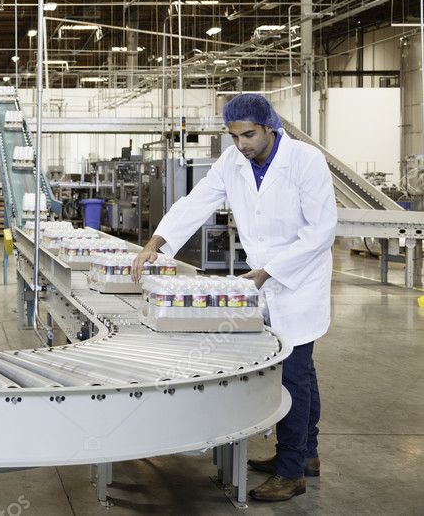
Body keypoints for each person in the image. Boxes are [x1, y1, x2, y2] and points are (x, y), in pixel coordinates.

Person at [131, 93, 337, 502]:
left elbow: (321, 230)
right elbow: (196, 202)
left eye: (248, 135)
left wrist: (269, 272)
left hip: (298, 279)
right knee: (301, 369)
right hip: (262, 279)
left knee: (292, 372)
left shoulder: (305, 161)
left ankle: (292, 470)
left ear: (269, 127)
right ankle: (305, 454)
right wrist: (157, 241)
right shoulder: (232, 163)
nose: (241, 144)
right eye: (234, 136)